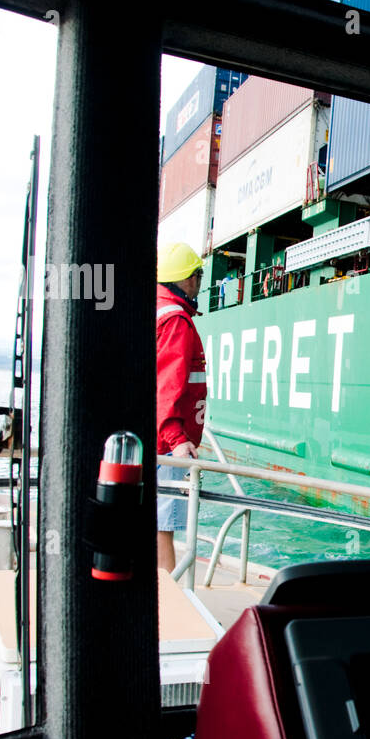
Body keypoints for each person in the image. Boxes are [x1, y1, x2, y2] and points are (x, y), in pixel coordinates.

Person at [156, 242, 209, 573]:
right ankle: (167, 595)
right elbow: (167, 385)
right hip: (166, 445)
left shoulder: (155, 311)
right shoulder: (175, 320)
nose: (199, 284)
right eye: (198, 277)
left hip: (151, 439)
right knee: (163, 528)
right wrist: (176, 439)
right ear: (189, 279)